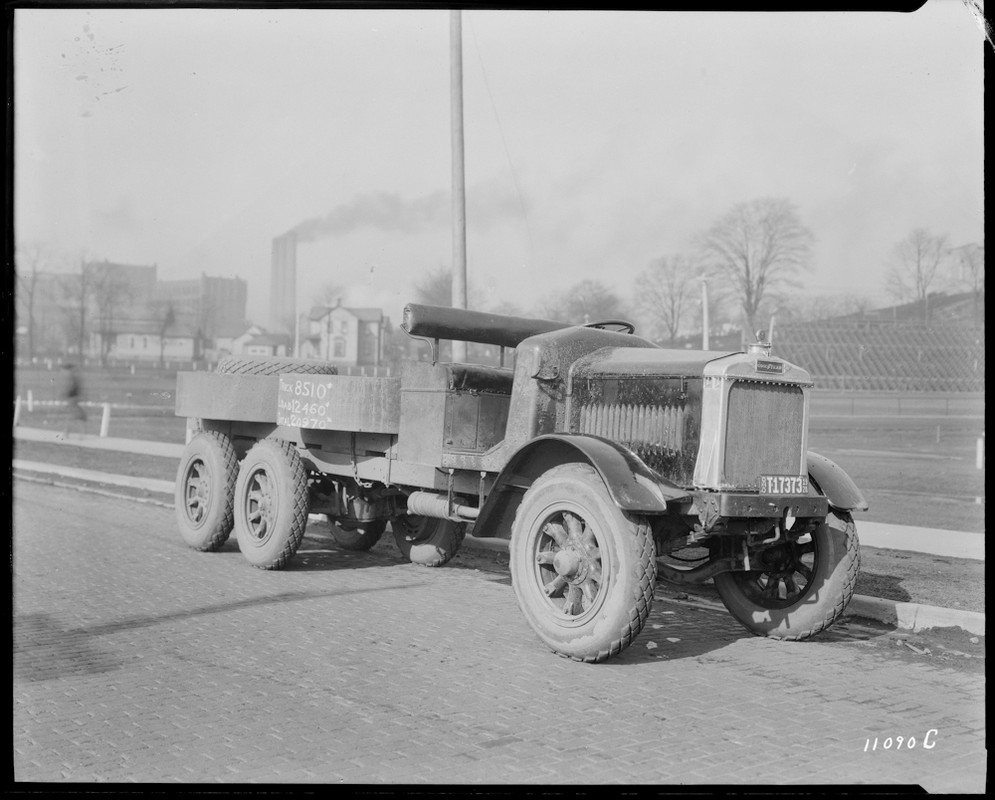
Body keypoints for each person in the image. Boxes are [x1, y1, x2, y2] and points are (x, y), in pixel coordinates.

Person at [60, 363, 87, 438]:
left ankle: (68, 433)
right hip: (74, 398)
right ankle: (68, 433)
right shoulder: (75, 377)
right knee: (75, 416)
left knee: (74, 416)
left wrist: (64, 394)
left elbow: (71, 388)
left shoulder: (72, 378)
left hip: (73, 399)